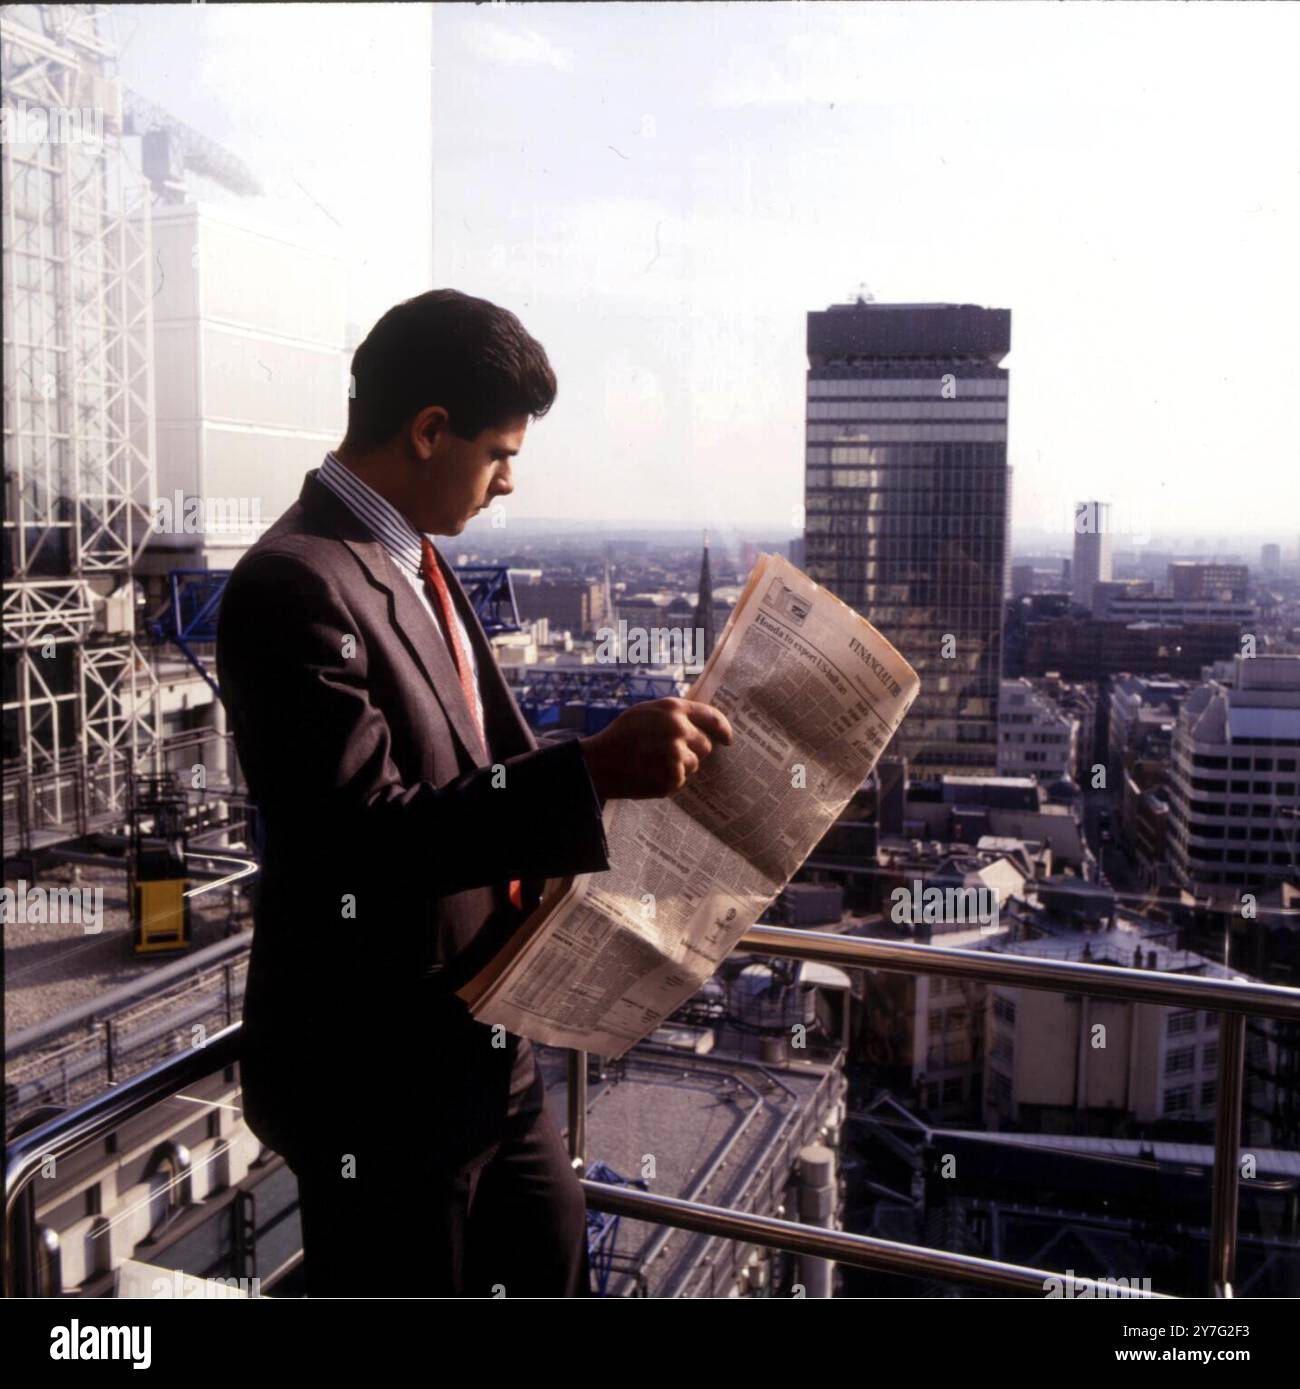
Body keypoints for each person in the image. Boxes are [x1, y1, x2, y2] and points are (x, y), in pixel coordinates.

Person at [214, 289, 732, 1297]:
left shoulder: (411, 562)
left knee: (551, 1258)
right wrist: (593, 770)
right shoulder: (295, 582)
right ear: (428, 430)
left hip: (487, 1046)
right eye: (501, 455)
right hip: (379, 1081)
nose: (506, 486)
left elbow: (485, 767)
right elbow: (361, 834)